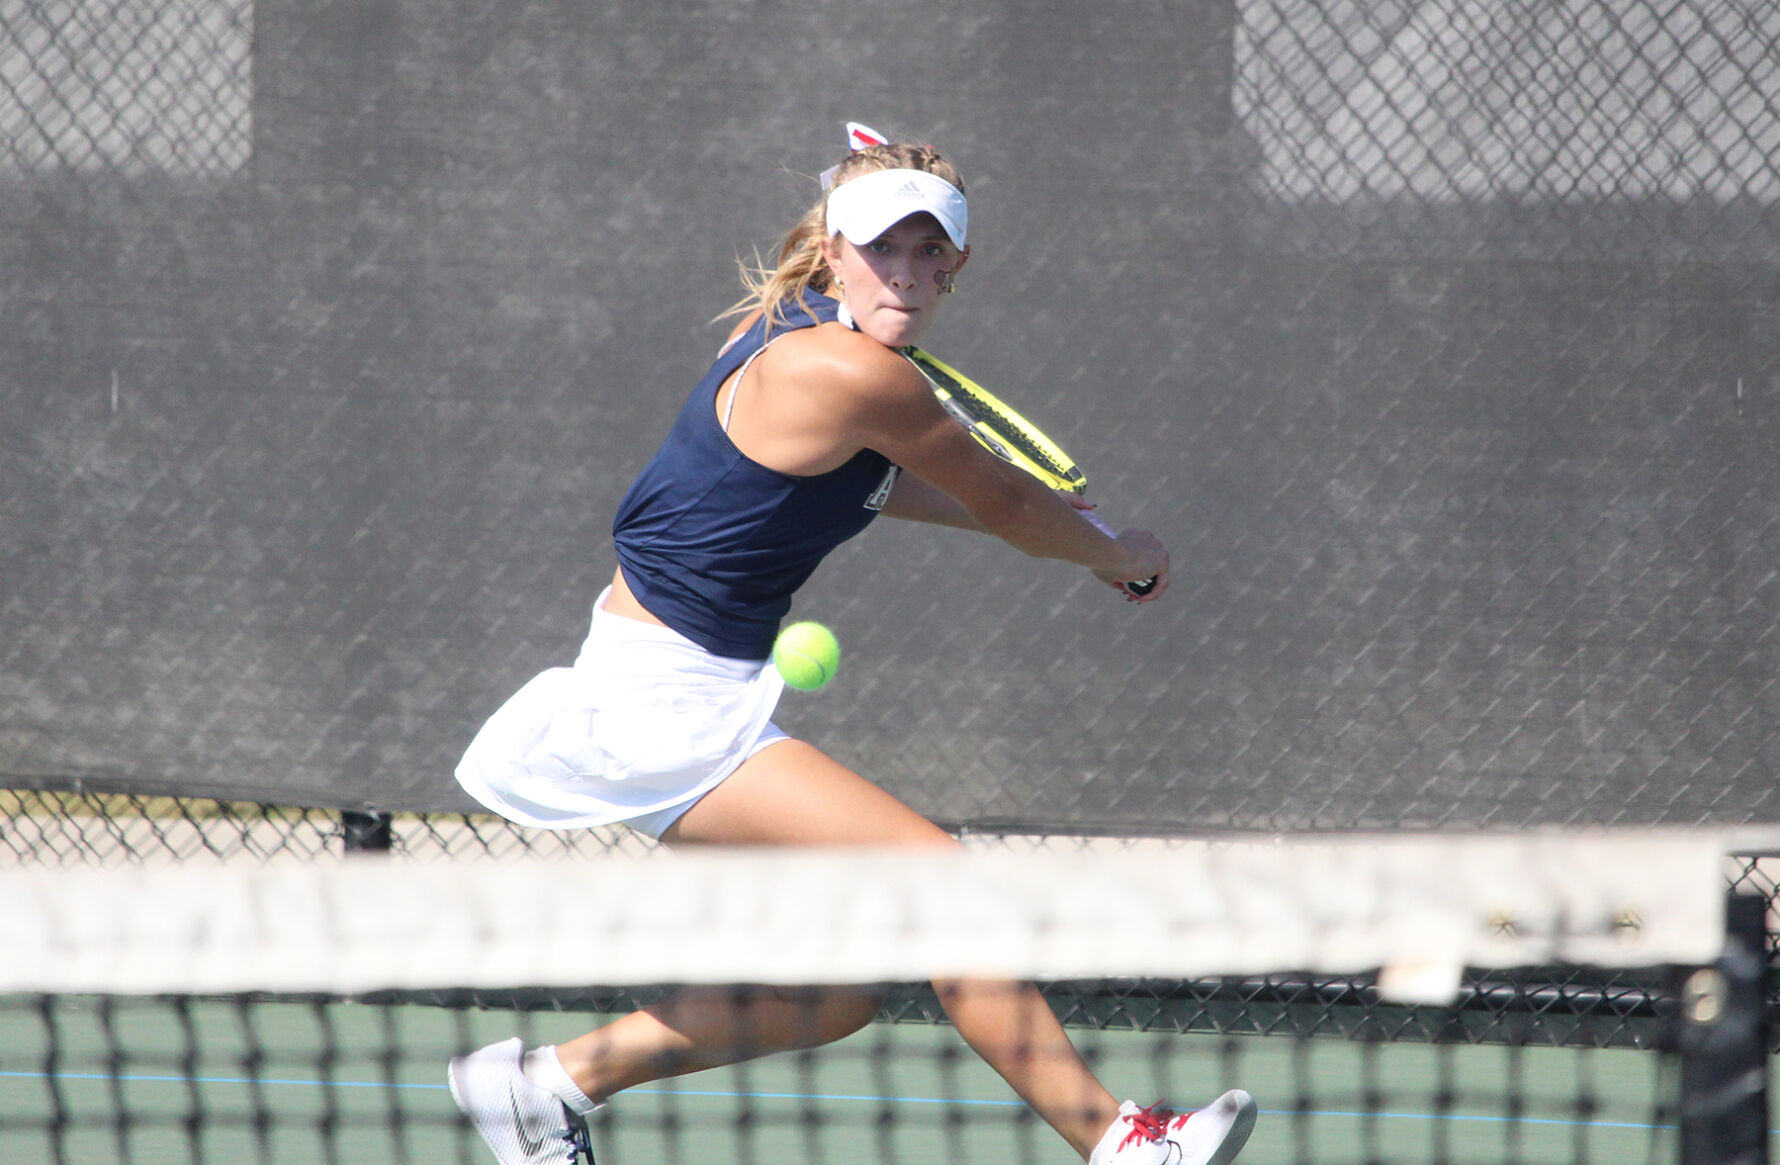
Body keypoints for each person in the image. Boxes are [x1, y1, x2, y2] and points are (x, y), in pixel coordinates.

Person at [445, 123, 1256, 1165]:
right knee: (940, 882)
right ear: (833, 249)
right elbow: (1008, 503)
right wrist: (1115, 549)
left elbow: (873, 484)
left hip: (677, 684)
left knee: (829, 996)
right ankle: (1125, 1143)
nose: (907, 276)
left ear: (955, 263)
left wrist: (1056, 524)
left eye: (931, 253)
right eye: (883, 248)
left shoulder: (788, 324)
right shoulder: (850, 372)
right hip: (660, 704)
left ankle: (541, 1086)